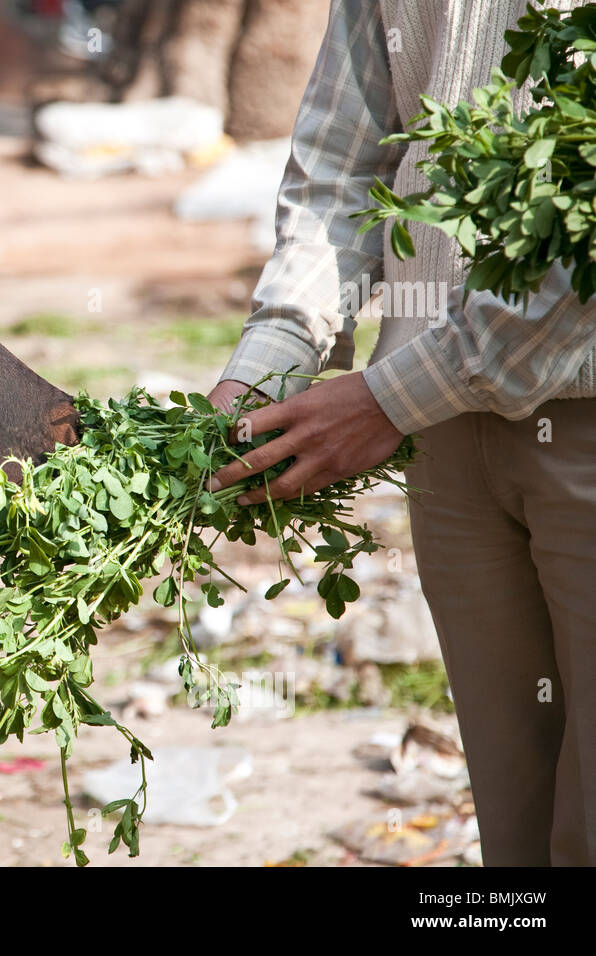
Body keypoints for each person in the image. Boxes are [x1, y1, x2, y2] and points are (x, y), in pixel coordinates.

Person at [205, 0, 594, 865]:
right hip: (446, 439)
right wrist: (267, 367)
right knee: (516, 817)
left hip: (572, 418)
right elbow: (342, 166)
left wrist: (388, 401)